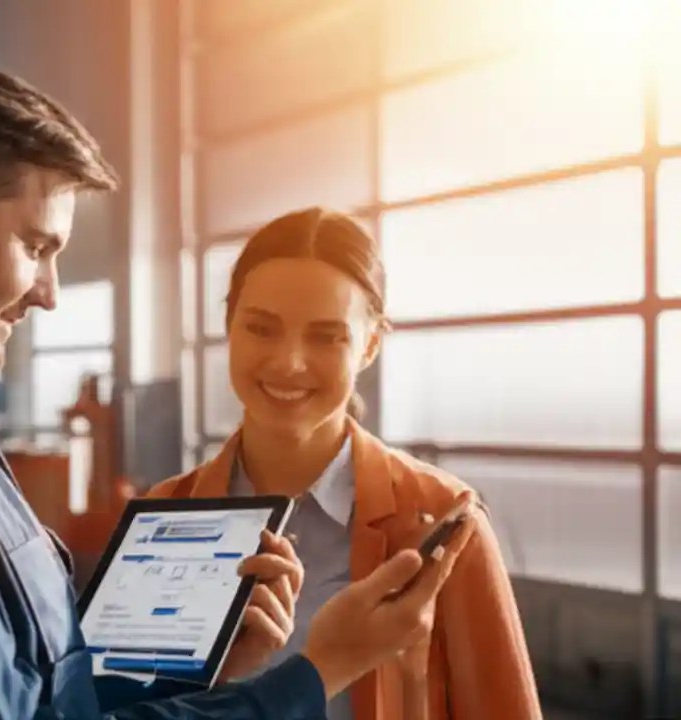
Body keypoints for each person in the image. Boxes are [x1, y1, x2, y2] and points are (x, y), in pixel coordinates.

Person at [0, 59, 473, 720]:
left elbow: (30, 698)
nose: (48, 293)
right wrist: (314, 675)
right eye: (35, 245)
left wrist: (198, 672)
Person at [147, 208, 542, 719]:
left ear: (371, 344)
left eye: (326, 336)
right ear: (229, 328)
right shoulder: (163, 515)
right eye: (261, 328)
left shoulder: (443, 524)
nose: (289, 362)